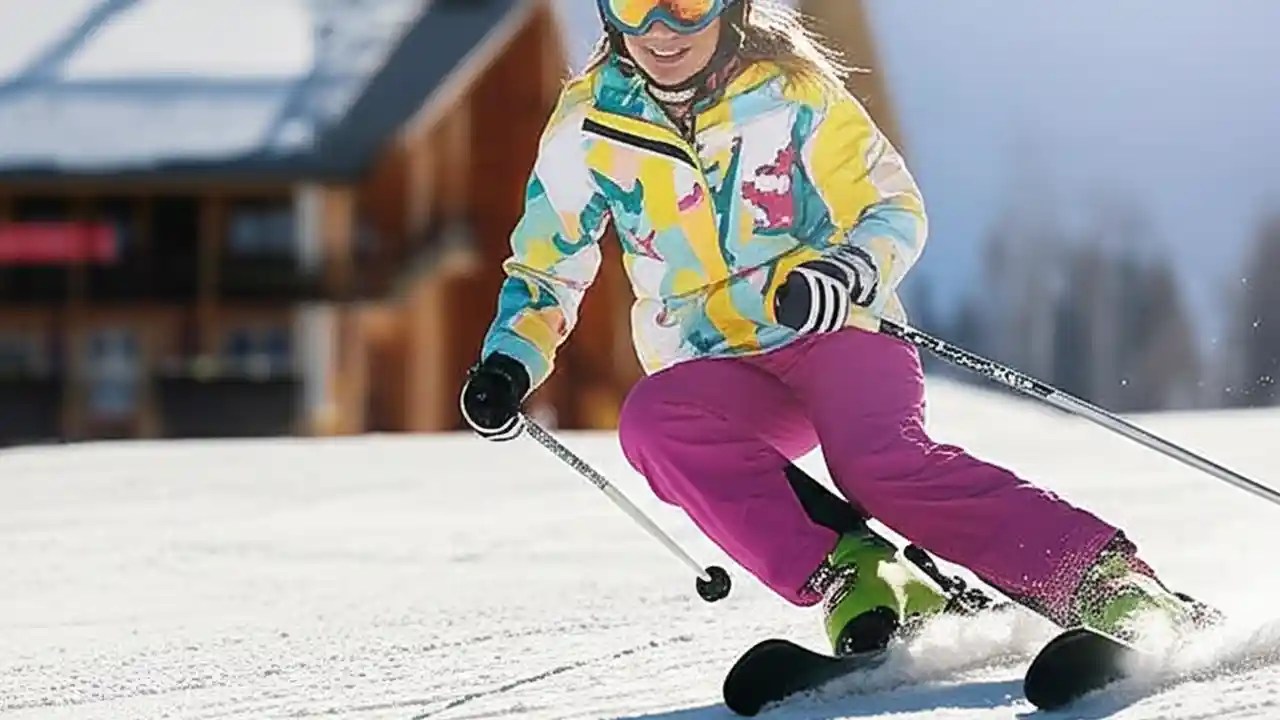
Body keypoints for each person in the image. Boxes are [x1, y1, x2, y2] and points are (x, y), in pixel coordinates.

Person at [460, 0, 1210, 656]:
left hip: (834, 329)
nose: (661, 29)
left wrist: (844, 272)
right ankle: (865, 574)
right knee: (655, 424)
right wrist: (510, 362)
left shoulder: (790, 94)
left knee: (875, 464)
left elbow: (891, 206)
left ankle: (1102, 581)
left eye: (686, 4)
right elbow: (546, 266)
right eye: (636, 5)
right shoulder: (590, 126)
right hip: (716, 361)